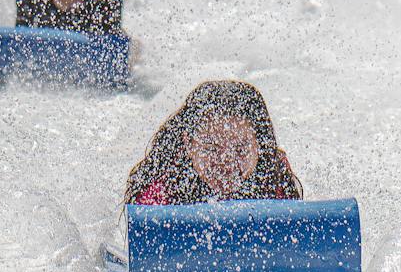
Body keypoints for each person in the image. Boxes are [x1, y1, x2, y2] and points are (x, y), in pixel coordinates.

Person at [124, 80, 303, 205]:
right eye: (211, 149)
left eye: (240, 149)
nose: (226, 162)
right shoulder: (166, 181)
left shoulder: (273, 175)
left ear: (258, 147)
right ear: (189, 145)